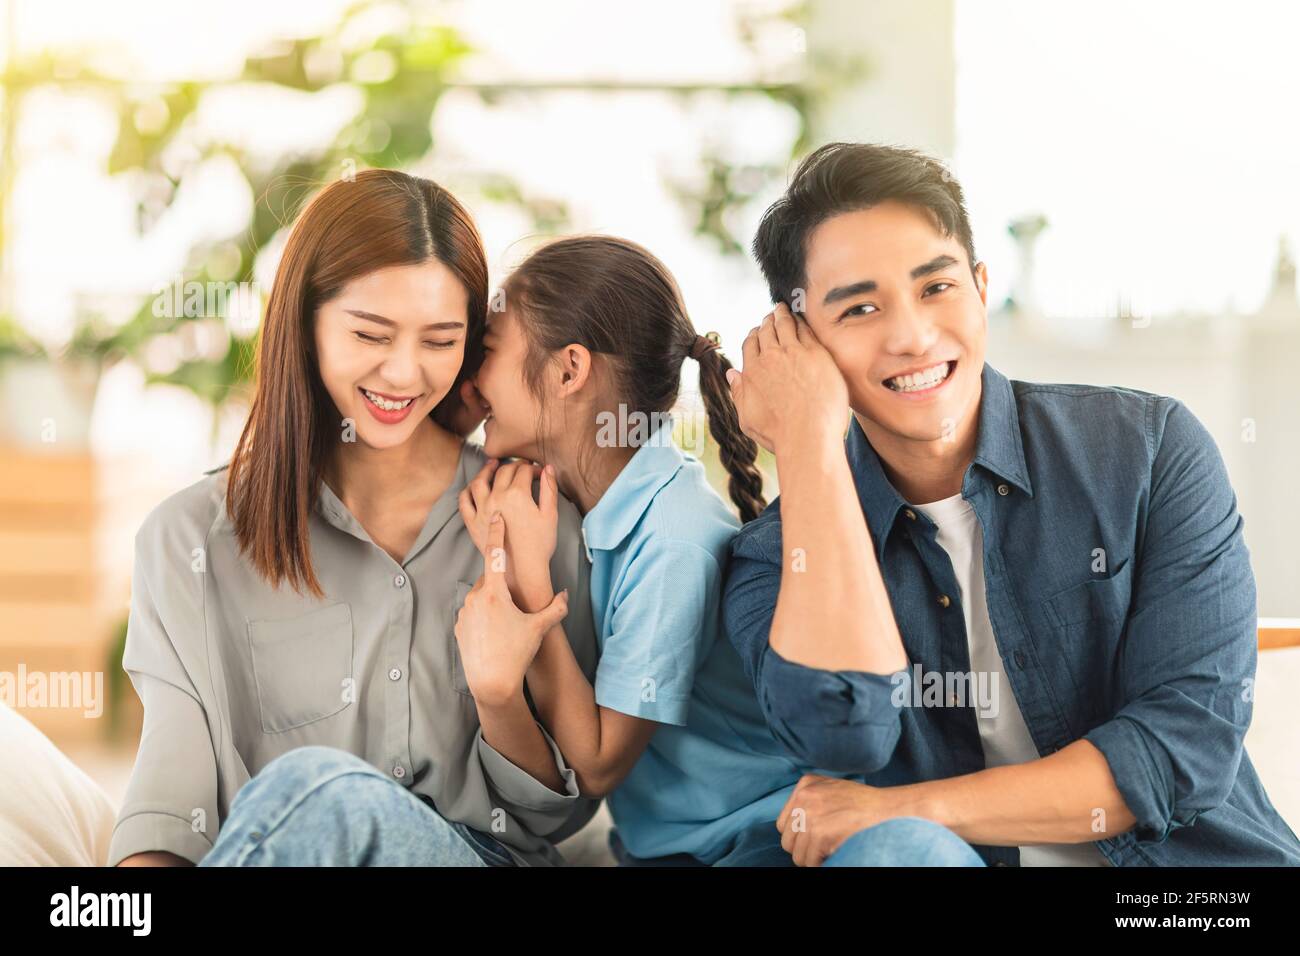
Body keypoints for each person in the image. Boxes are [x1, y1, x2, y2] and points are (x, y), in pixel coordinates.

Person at [722, 141, 1300, 866]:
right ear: (803, 345)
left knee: (895, 833)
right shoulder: (773, 558)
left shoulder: (1147, 453)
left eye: (936, 288)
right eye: (861, 308)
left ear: (982, 287)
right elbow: (844, 736)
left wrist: (907, 807)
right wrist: (806, 442)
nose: (912, 336)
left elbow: (1182, 749)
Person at [109, 169, 598, 868]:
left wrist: (498, 695)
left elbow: (558, 810)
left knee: (327, 792)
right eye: (371, 333)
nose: (403, 374)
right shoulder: (187, 541)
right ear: (303, 321)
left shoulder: (530, 520)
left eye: (440, 340)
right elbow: (172, 808)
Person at [457, 234, 982, 866]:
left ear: (569, 370)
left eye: (486, 351)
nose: (470, 377)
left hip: (761, 841)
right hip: (669, 845)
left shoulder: (674, 537)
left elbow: (595, 764)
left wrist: (529, 588)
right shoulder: (578, 503)